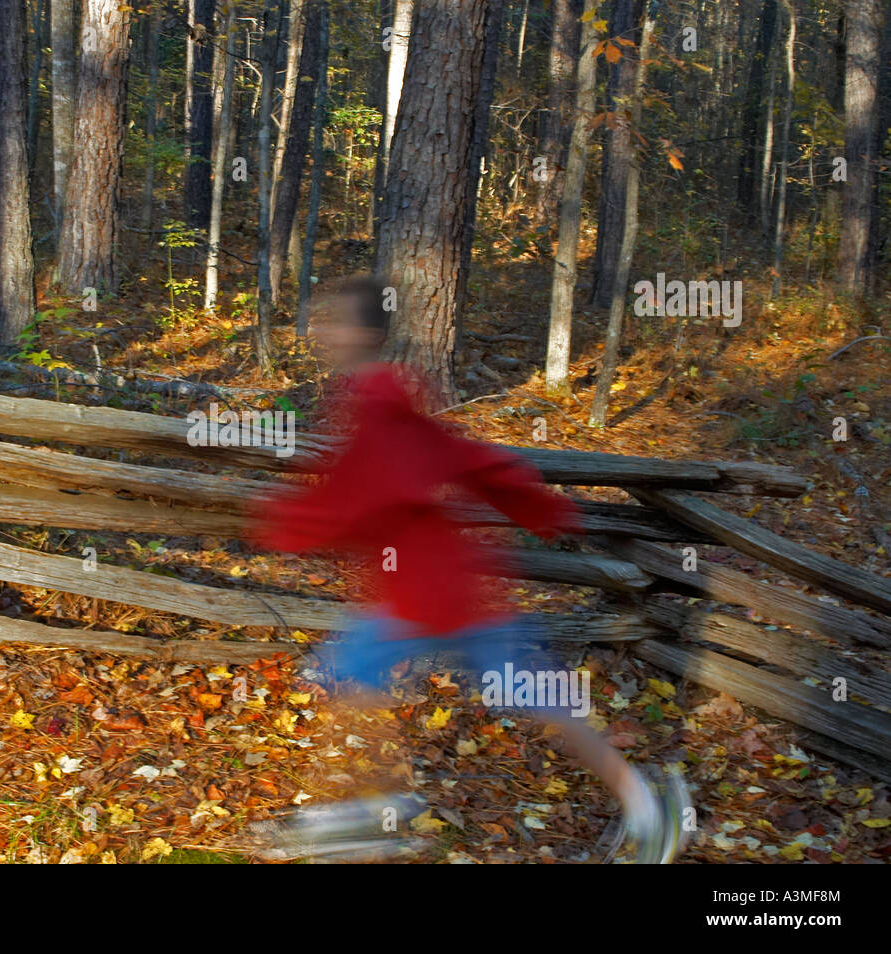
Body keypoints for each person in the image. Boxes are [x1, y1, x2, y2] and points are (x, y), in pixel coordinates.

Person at [247, 275, 688, 863]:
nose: (319, 331)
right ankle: (645, 804)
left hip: (418, 596)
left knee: (347, 677)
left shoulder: (379, 405)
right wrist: (538, 507)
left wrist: (285, 522)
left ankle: (367, 815)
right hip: (446, 588)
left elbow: (371, 493)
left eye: (330, 320)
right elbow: (467, 460)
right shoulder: (387, 398)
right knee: (538, 697)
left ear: (361, 332)